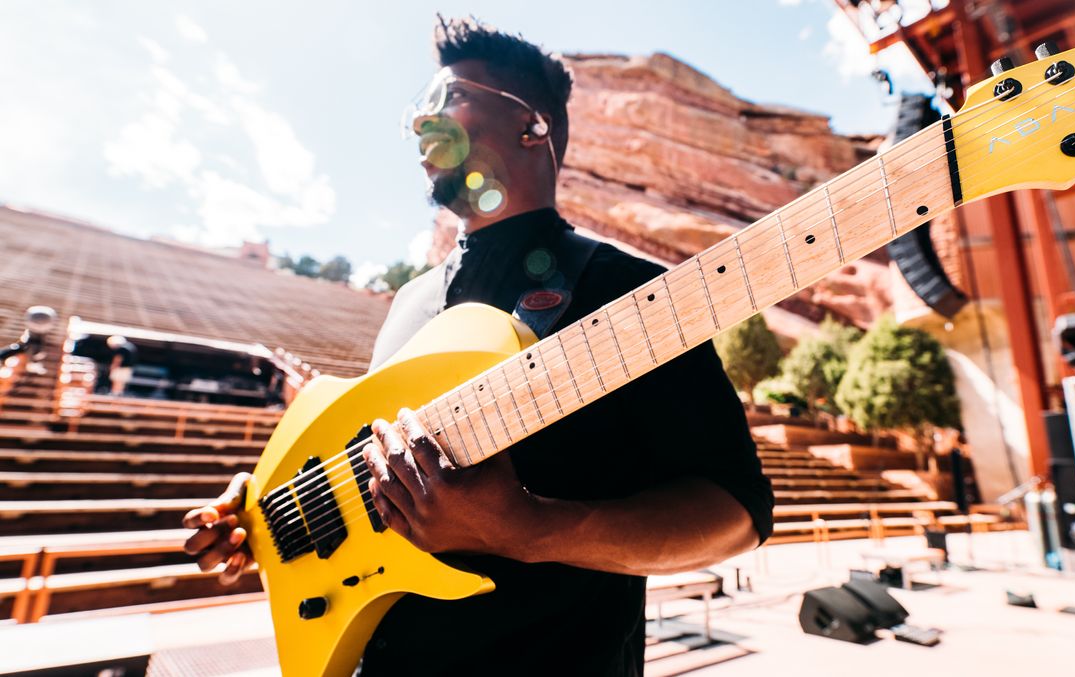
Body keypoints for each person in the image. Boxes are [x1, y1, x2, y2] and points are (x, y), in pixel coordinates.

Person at [183, 16, 773, 676]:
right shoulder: (410, 302)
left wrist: (527, 528)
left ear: (534, 127)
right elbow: (362, 456)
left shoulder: (629, 288)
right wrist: (267, 510)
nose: (419, 122)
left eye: (450, 99)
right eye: (420, 106)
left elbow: (738, 512)